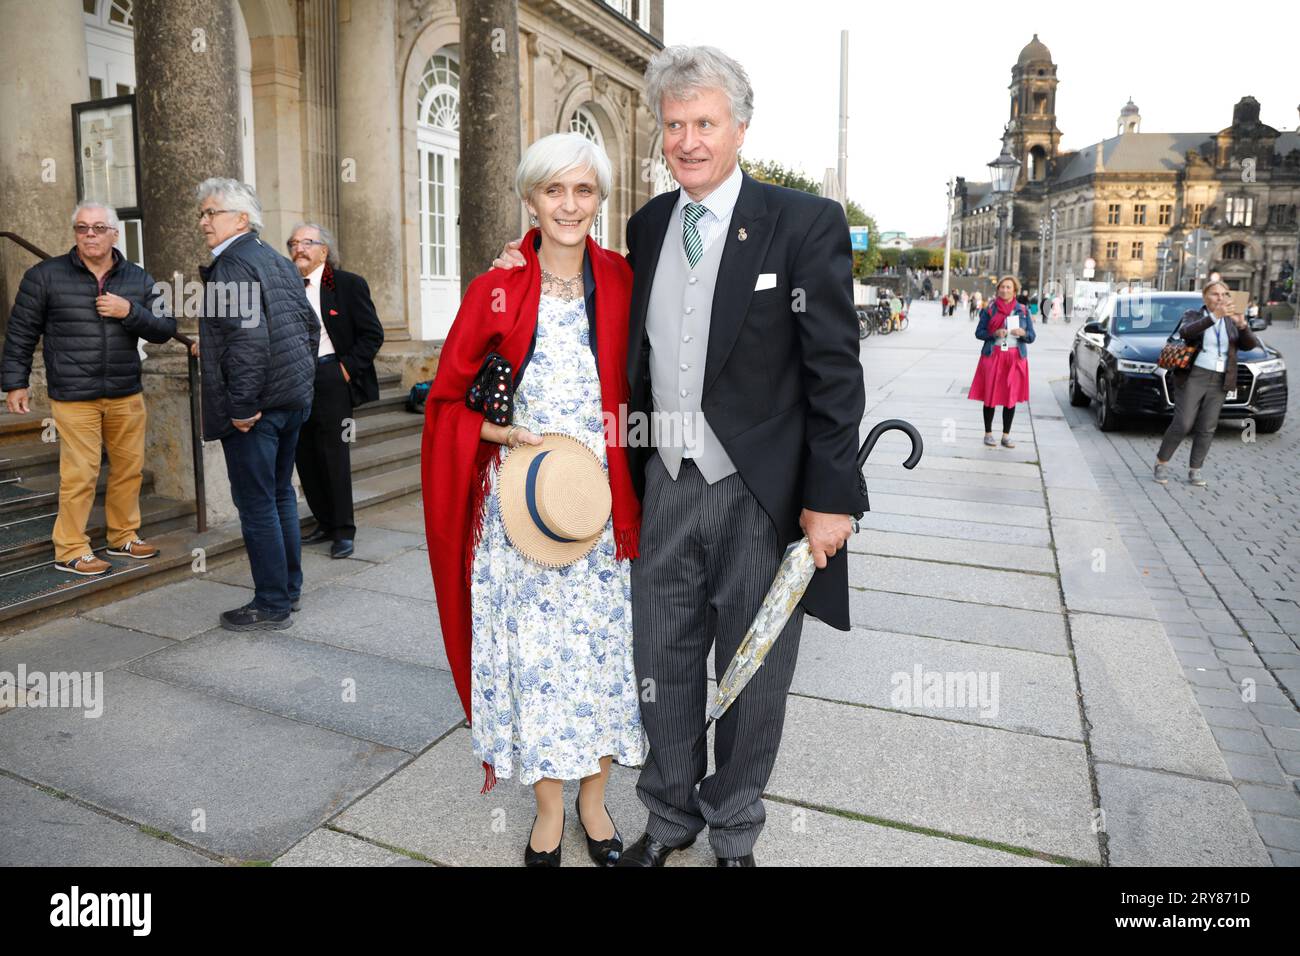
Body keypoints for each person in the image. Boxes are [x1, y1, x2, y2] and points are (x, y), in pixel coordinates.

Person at [499, 46, 865, 867]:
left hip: (761, 494)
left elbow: (836, 375)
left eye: (705, 123)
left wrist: (830, 498)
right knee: (658, 662)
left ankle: (734, 828)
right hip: (661, 483)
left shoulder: (803, 222)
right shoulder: (649, 225)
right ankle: (668, 820)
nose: (689, 140)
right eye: (674, 126)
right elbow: (580, 288)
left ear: (740, 127)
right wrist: (512, 267)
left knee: (754, 670)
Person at [423, 132, 644, 867]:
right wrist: (496, 430)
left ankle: (595, 803)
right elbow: (445, 403)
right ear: (532, 198)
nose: (570, 205)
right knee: (540, 667)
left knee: (602, 664)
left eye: (584, 191)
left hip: (602, 512)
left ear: (600, 200)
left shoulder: (622, 279)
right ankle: (550, 811)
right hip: (521, 520)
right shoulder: (498, 285)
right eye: (555, 191)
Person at [2, 201, 175, 575]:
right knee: (80, 473)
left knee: (129, 469)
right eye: (82, 228)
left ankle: (124, 535)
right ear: (75, 233)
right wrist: (15, 383)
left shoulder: (139, 279)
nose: (90, 235)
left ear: (115, 234)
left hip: (125, 391)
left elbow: (164, 330)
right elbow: (20, 332)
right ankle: (70, 549)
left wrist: (128, 311)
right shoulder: (44, 276)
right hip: (73, 395)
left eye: (98, 228)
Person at [196, 178, 319, 630]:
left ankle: (271, 604)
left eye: (212, 213)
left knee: (258, 503)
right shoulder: (276, 261)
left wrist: (243, 405)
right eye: (203, 214)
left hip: (258, 409)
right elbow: (307, 329)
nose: (203, 221)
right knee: (281, 494)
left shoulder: (232, 265)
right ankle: (288, 591)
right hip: (288, 401)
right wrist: (299, 387)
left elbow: (248, 342)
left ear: (241, 219)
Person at [287, 223, 385, 559]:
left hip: (331, 378)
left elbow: (372, 334)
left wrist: (344, 369)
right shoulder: (286, 286)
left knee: (334, 454)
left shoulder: (347, 284)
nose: (298, 249)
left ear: (324, 251)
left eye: (306, 243)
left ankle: (344, 529)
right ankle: (324, 521)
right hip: (294, 380)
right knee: (304, 454)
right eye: (293, 243)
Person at [1153, 281, 1259, 487]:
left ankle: (1195, 469)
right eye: (1215, 294)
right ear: (1205, 297)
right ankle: (1161, 462)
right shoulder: (1194, 315)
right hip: (1194, 376)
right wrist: (1214, 317)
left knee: (1208, 426)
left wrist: (1242, 325)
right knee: (1183, 422)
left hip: (1221, 378)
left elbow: (1249, 345)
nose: (1220, 298)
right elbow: (1186, 332)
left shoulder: (1231, 320)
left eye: (1224, 294)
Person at [968, 275, 1034, 447]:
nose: (1005, 290)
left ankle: (1006, 435)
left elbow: (1032, 337)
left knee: (1010, 397)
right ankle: (988, 433)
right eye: (1002, 287)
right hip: (993, 356)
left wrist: (1023, 334)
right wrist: (994, 334)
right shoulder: (990, 309)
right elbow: (979, 332)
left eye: (1008, 287)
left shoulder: (1023, 310)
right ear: (998, 289)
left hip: (1015, 358)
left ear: (1015, 290)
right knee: (990, 395)